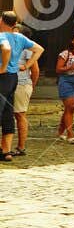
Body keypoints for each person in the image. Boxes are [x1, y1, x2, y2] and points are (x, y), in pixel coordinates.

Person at [0, 11, 42, 163]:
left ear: (2, 21)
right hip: (13, 78)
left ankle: (5, 150)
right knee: (7, 114)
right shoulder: (20, 37)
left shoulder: (2, 36)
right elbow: (39, 49)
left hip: (2, 77)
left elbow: (5, 49)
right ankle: (6, 152)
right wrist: (26, 66)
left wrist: (3, 67)